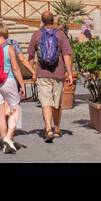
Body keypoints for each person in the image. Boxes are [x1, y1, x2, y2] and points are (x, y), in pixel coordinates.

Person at [27, 11, 74, 143]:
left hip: (42, 74)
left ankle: (48, 128)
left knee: (45, 102)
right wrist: (69, 72)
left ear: (42, 21)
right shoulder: (60, 34)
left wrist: (33, 72)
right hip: (58, 73)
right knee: (56, 103)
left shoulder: (36, 34)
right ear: (53, 20)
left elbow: (30, 56)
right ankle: (57, 128)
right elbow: (67, 54)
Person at [0, 24, 30, 154]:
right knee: (15, 109)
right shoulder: (9, 48)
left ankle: (4, 139)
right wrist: (22, 84)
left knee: (0, 113)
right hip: (9, 80)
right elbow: (16, 68)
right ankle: (8, 137)